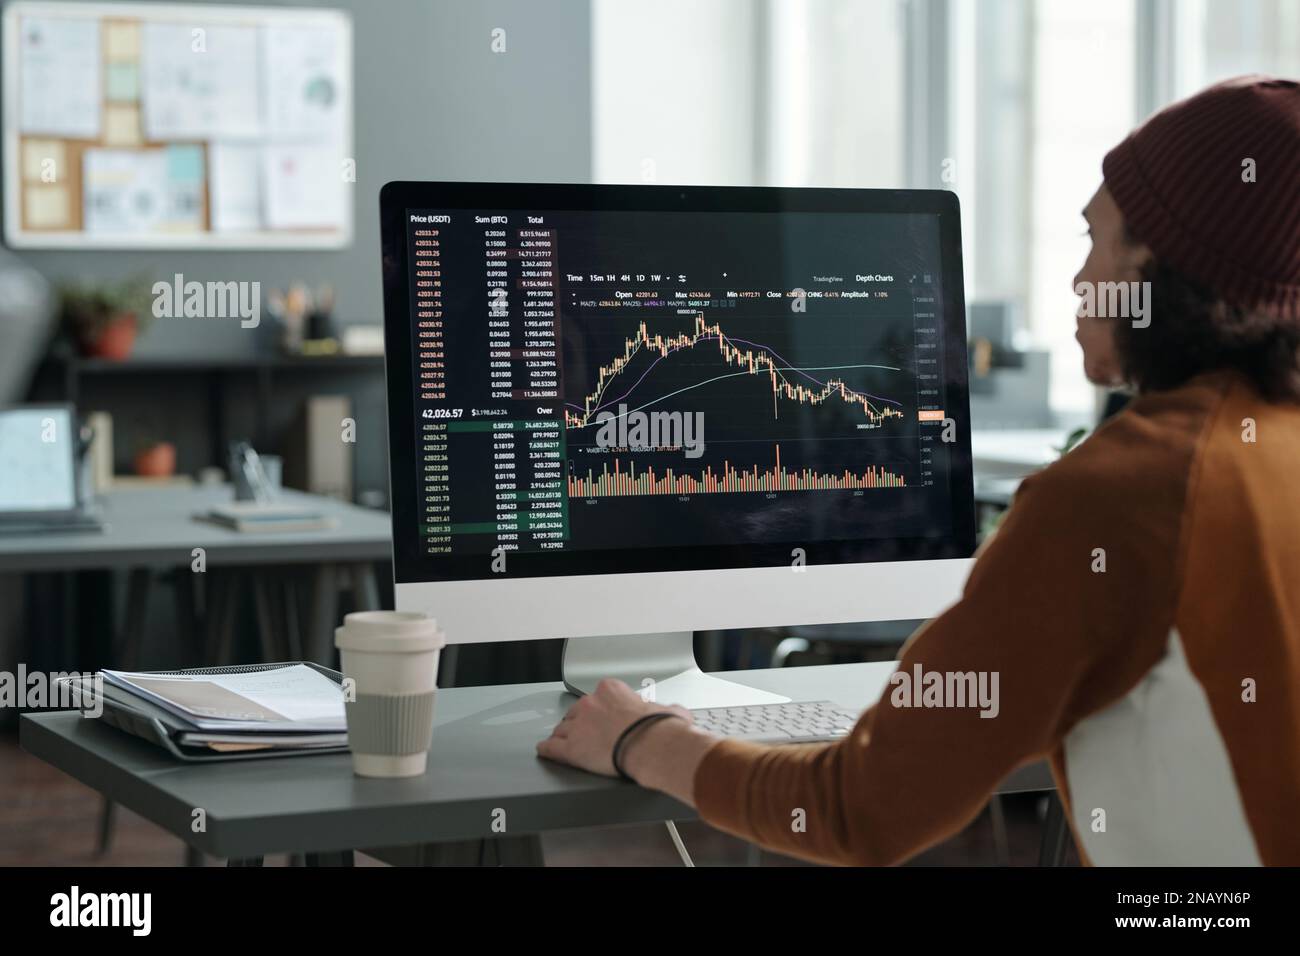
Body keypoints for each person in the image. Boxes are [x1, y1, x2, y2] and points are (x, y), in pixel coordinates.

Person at [538, 76, 1300, 866]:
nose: (1078, 281)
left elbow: (856, 808)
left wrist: (645, 739)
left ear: (1158, 264)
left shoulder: (1121, 495)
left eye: (1094, 239)